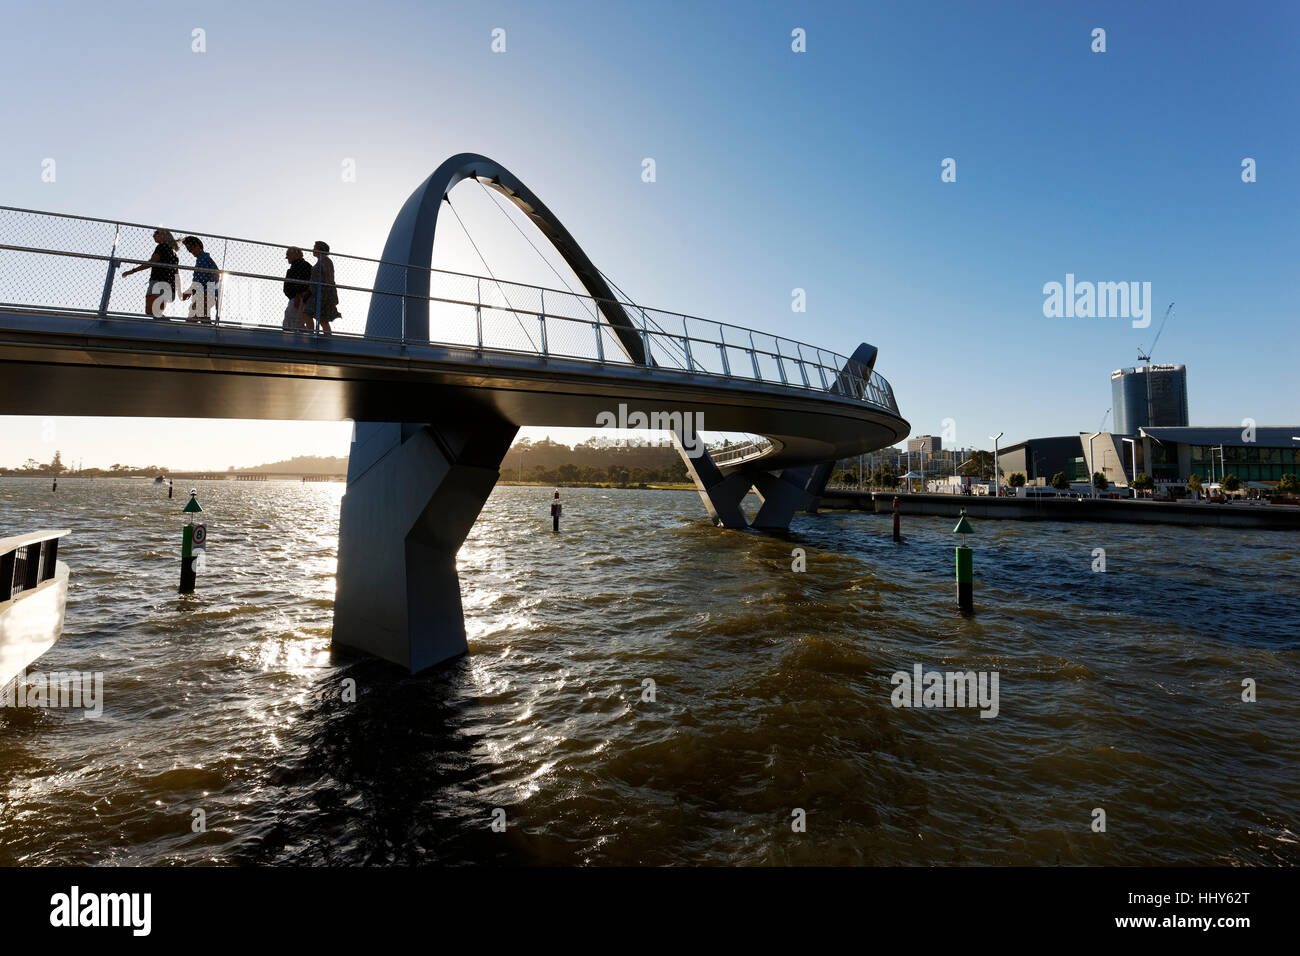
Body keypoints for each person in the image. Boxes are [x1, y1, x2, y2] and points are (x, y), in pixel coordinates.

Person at [121, 228, 179, 319]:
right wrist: (177, 288)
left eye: (156, 233)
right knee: (156, 312)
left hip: (158, 282)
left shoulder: (161, 247)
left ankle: (164, 321)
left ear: (163, 235)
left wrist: (132, 271)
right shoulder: (174, 254)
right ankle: (163, 324)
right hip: (169, 285)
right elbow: (176, 272)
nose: (154, 235)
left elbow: (151, 262)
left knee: (150, 310)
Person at [180, 236, 220, 323]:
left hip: (205, 294)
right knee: (203, 317)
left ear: (198, 245)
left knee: (193, 318)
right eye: (189, 250)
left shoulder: (202, 259)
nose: (191, 251)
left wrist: (189, 291)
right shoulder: (206, 259)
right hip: (210, 294)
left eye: (191, 248)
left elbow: (199, 280)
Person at [305, 241, 339, 334]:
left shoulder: (325, 261)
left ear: (320, 249)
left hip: (322, 292)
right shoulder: (321, 260)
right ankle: (318, 335)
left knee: (315, 315)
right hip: (316, 292)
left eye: (314, 247)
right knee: (320, 318)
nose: (313, 249)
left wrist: (330, 295)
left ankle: (313, 335)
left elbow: (329, 278)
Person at [282, 246, 313, 331]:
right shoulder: (293, 268)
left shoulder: (305, 266)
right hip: (294, 298)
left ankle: (299, 340)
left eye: (288, 254)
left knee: (293, 321)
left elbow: (309, 284)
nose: (287, 257)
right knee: (292, 321)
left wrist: (299, 296)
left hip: (301, 299)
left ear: (295, 254)